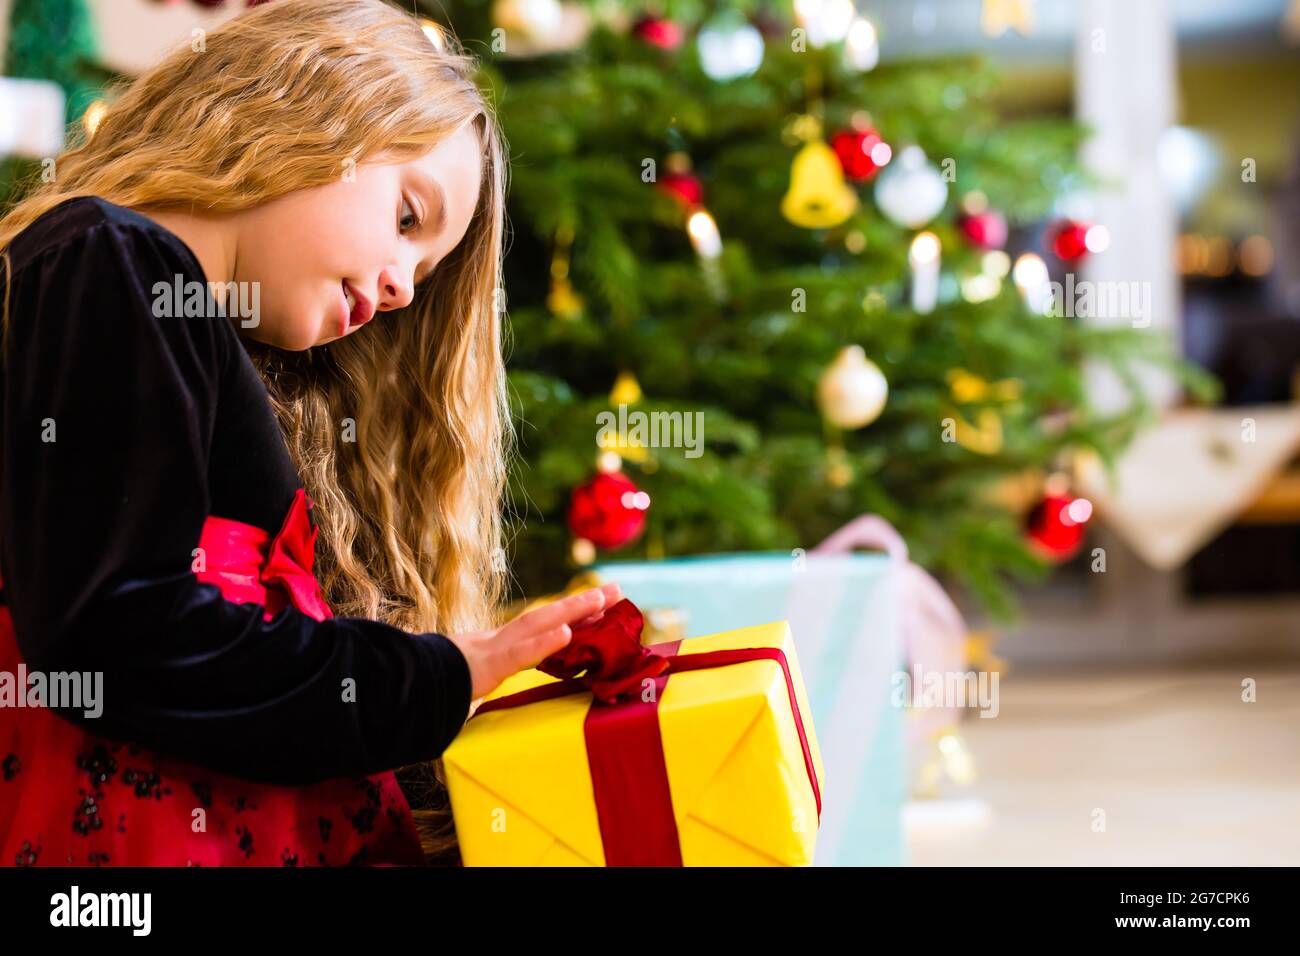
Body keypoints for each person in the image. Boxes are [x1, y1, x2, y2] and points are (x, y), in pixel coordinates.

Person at [0, 0, 618, 867]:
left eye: (426, 274)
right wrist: (437, 677)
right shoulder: (107, 256)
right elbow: (120, 627)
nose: (404, 289)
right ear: (309, 111)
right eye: (409, 219)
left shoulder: (189, 332)